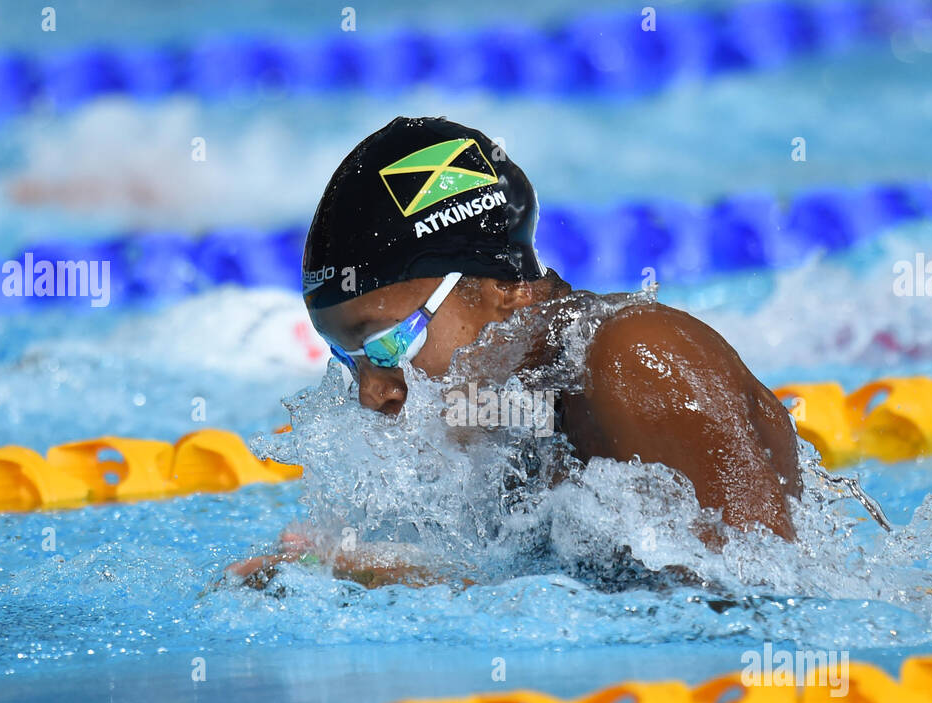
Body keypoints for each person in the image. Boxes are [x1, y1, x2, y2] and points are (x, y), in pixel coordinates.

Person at [230, 116, 800, 587]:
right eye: (346, 357)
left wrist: (408, 582)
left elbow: (761, 609)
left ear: (503, 290)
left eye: (386, 343)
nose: (372, 392)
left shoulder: (636, 359)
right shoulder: (507, 409)